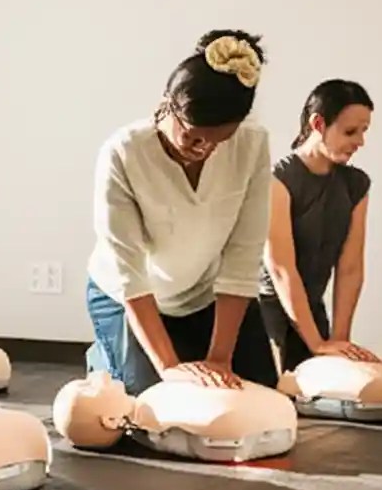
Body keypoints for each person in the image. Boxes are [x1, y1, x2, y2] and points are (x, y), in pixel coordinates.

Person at [85, 29, 278, 396]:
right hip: (127, 297)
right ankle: (104, 358)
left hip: (202, 293)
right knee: (151, 400)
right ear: (168, 105)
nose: (204, 148)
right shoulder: (123, 152)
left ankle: (186, 350)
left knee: (256, 391)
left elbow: (243, 254)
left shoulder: (253, 145)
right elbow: (130, 274)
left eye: (219, 139)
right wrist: (170, 369)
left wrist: (220, 359)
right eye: (193, 135)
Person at [257, 79, 379, 371]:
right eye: (350, 131)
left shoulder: (355, 184)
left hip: (312, 310)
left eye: (364, 132)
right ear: (318, 123)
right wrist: (317, 344)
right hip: (265, 313)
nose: (360, 142)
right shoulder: (278, 180)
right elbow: (281, 268)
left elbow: (350, 268)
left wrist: (339, 341)